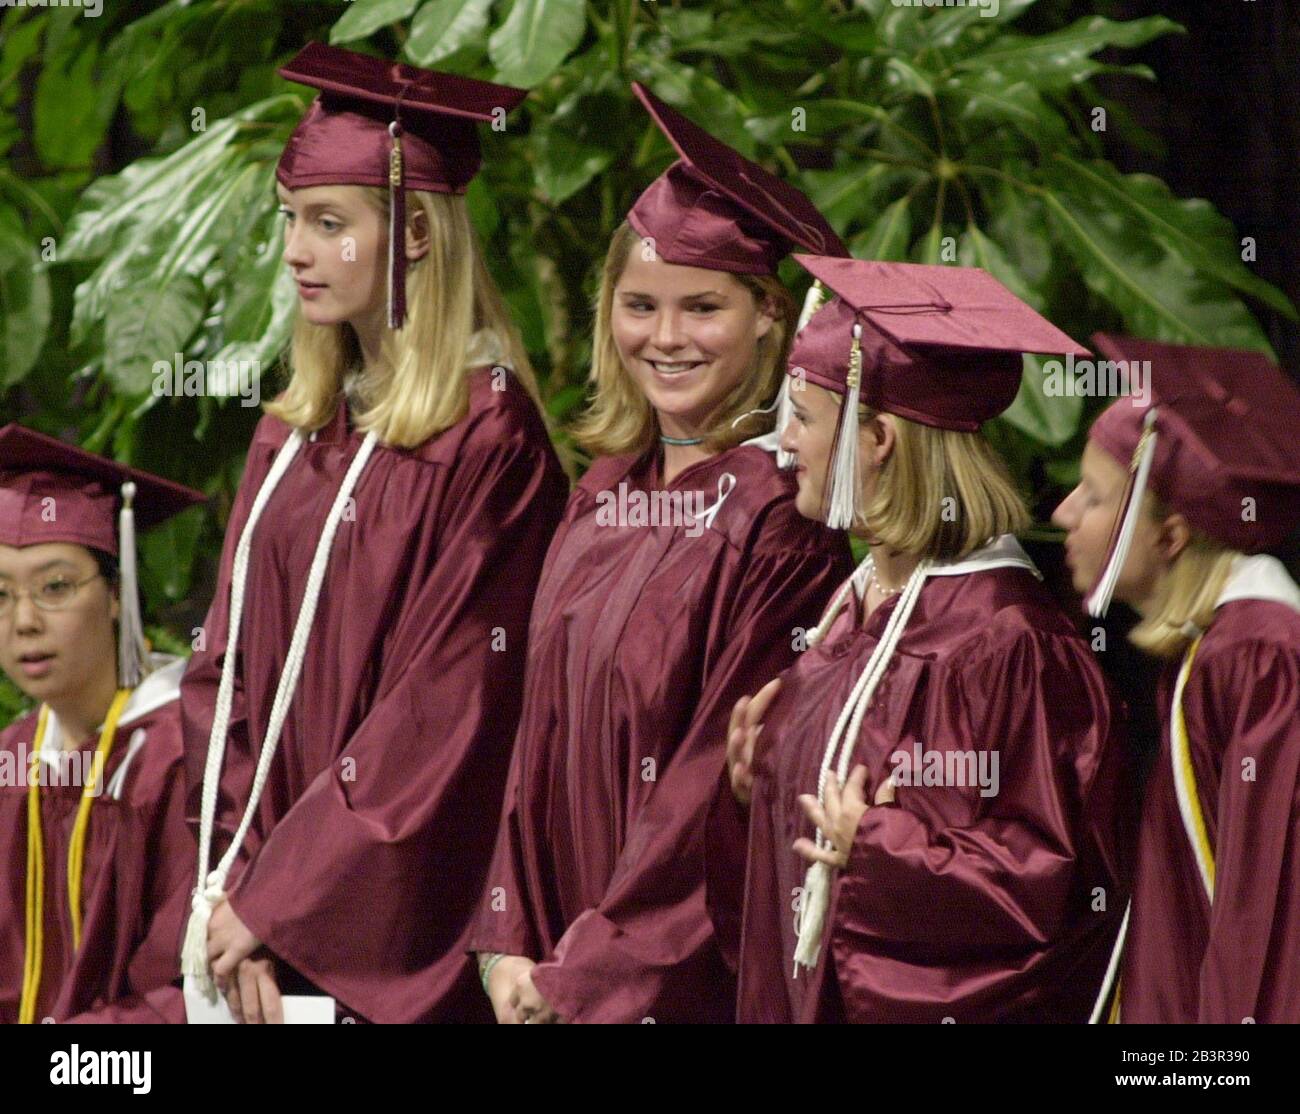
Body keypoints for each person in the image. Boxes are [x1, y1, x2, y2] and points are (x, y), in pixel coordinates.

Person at [179, 43, 569, 1024]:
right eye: (290, 223)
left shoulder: (489, 432)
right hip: (250, 919)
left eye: (327, 223)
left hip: (383, 920)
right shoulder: (293, 428)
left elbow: (448, 707)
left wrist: (289, 902)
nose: (297, 251)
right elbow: (221, 670)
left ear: (418, 237)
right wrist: (233, 879)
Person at [469, 83, 854, 1024]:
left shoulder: (783, 517)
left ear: (770, 314)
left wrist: (593, 977)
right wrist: (507, 942)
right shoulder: (601, 491)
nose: (666, 338)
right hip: (550, 967)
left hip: (680, 986)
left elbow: (711, 791)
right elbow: (533, 739)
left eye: (702, 308)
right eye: (640, 305)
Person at [721, 255, 1133, 1023]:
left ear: (876, 439)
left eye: (804, 417)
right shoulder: (857, 604)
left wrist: (880, 850)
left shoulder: (1007, 644)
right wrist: (763, 784)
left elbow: (1047, 890)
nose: (781, 442)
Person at [1053, 334, 1300, 1024]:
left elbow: (1269, 923)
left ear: (1171, 537)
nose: (1062, 512)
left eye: (1094, 497)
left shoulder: (1258, 657)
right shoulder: (1208, 653)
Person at [0, 423, 205, 1023]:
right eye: (1, 594)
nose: (25, 622)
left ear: (117, 594)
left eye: (56, 587)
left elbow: (189, 989)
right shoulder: (14, 758)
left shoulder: (181, 756)